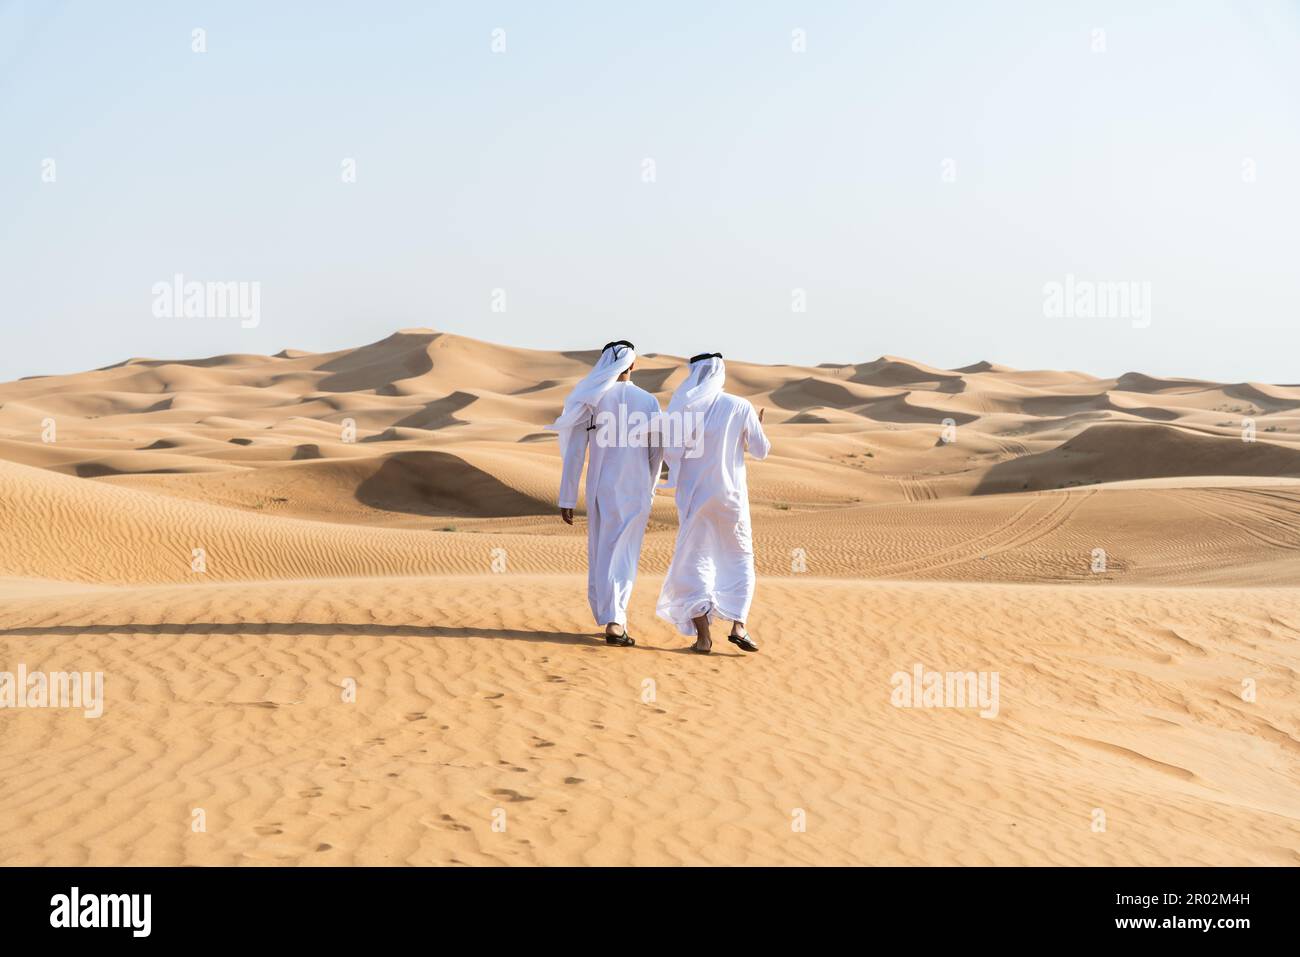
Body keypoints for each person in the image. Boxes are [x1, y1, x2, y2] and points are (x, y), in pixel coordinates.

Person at [548, 340, 663, 646]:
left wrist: (567, 498)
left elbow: (575, 452)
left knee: (604, 551)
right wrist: (650, 489)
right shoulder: (648, 400)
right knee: (623, 552)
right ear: (633, 365)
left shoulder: (592, 399)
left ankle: (611, 616)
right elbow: (657, 452)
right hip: (636, 487)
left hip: (601, 487)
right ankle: (615, 619)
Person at [655, 352, 769, 654]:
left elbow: (670, 452)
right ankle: (739, 625)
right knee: (740, 557)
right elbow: (761, 451)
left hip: (695, 499)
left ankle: (703, 638)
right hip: (731, 499)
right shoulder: (740, 406)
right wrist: (753, 427)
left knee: (694, 562)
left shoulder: (683, 409)